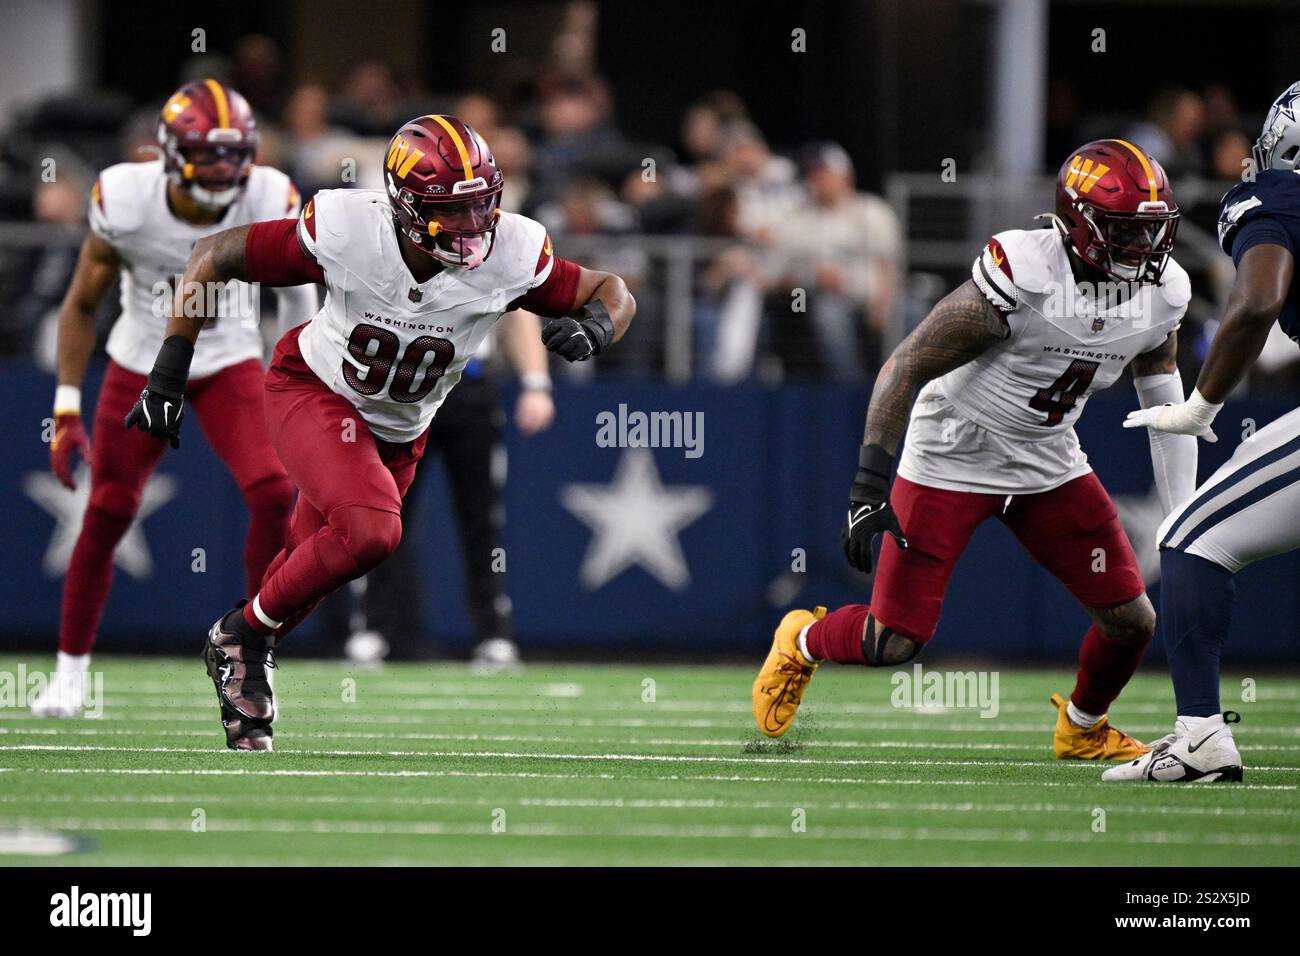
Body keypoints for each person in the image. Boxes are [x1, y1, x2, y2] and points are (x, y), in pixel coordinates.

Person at [125, 114, 636, 750]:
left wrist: (596, 326)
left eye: (482, 207)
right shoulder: (348, 229)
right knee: (373, 531)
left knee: (304, 572)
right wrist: (167, 378)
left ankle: (244, 660)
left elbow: (613, 290)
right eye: (452, 213)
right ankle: (241, 636)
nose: (474, 228)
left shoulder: (512, 250)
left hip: (399, 430)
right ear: (402, 207)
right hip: (314, 392)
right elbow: (210, 257)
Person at [752, 140, 1196, 762]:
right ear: (1080, 221)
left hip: (1047, 457)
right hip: (953, 448)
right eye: (1124, 228)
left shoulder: (1164, 291)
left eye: (1152, 230)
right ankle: (803, 639)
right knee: (895, 641)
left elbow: (1166, 405)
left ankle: (1083, 727)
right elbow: (906, 365)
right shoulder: (1026, 270)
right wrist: (866, 488)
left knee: (1132, 620)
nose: (1143, 248)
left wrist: (1182, 522)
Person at [31, 80, 316, 717]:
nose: (223, 168)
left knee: (274, 490)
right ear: (167, 151)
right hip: (139, 359)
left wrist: (300, 376)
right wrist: (68, 404)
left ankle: (253, 654)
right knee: (106, 508)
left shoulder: (270, 192)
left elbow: (299, 294)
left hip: (228, 358)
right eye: (206, 153)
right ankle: (71, 670)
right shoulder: (126, 200)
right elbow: (80, 303)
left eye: (233, 153)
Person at [1106, 82, 1300, 783]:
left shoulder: (1274, 194)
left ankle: (1200, 736)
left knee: (1189, 535)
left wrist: (1200, 407)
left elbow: (1256, 303)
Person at [344, 311, 556, 668]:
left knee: (483, 521)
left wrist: (536, 383)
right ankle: (372, 626)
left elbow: (519, 307)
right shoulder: (400, 254)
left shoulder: (493, 255)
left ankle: (494, 633)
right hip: (403, 390)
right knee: (387, 514)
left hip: (468, 389)